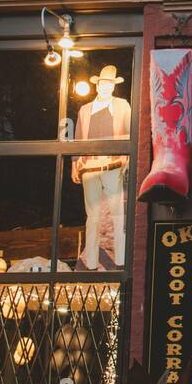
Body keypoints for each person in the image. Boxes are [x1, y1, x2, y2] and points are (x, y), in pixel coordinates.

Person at [73, 65, 130, 270]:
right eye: (103, 83)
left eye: (110, 84)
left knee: (116, 213)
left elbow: (131, 134)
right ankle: (91, 261)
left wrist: (127, 159)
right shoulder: (85, 109)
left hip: (112, 163)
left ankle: (121, 259)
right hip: (89, 165)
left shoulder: (122, 106)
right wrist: (74, 163)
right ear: (97, 85)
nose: (106, 87)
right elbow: (78, 138)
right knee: (93, 215)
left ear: (113, 87)